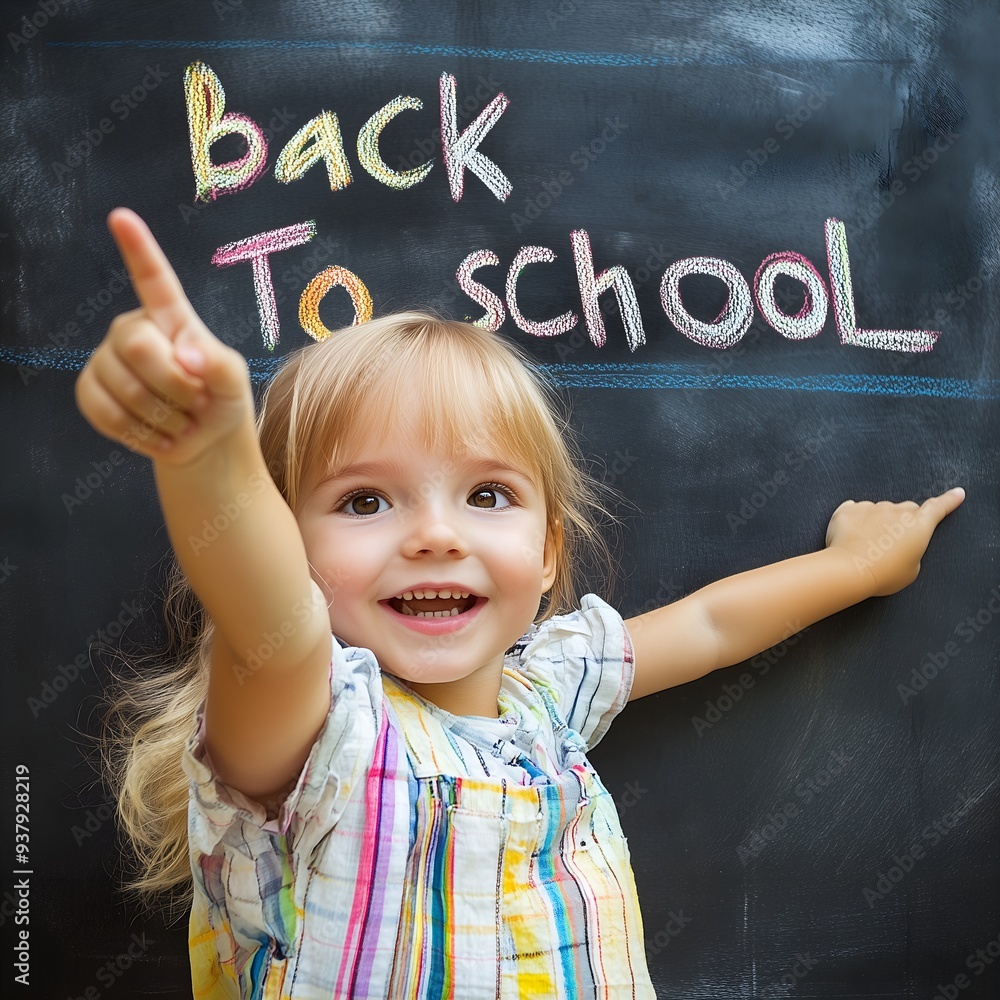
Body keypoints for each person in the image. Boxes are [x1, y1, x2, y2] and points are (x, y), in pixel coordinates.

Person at [75, 208, 964, 999]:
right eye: (364, 502)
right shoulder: (324, 727)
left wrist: (858, 568)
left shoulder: (549, 691)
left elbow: (710, 624)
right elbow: (267, 618)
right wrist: (211, 457)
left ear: (546, 555)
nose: (434, 536)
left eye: (488, 496)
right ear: (292, 545)